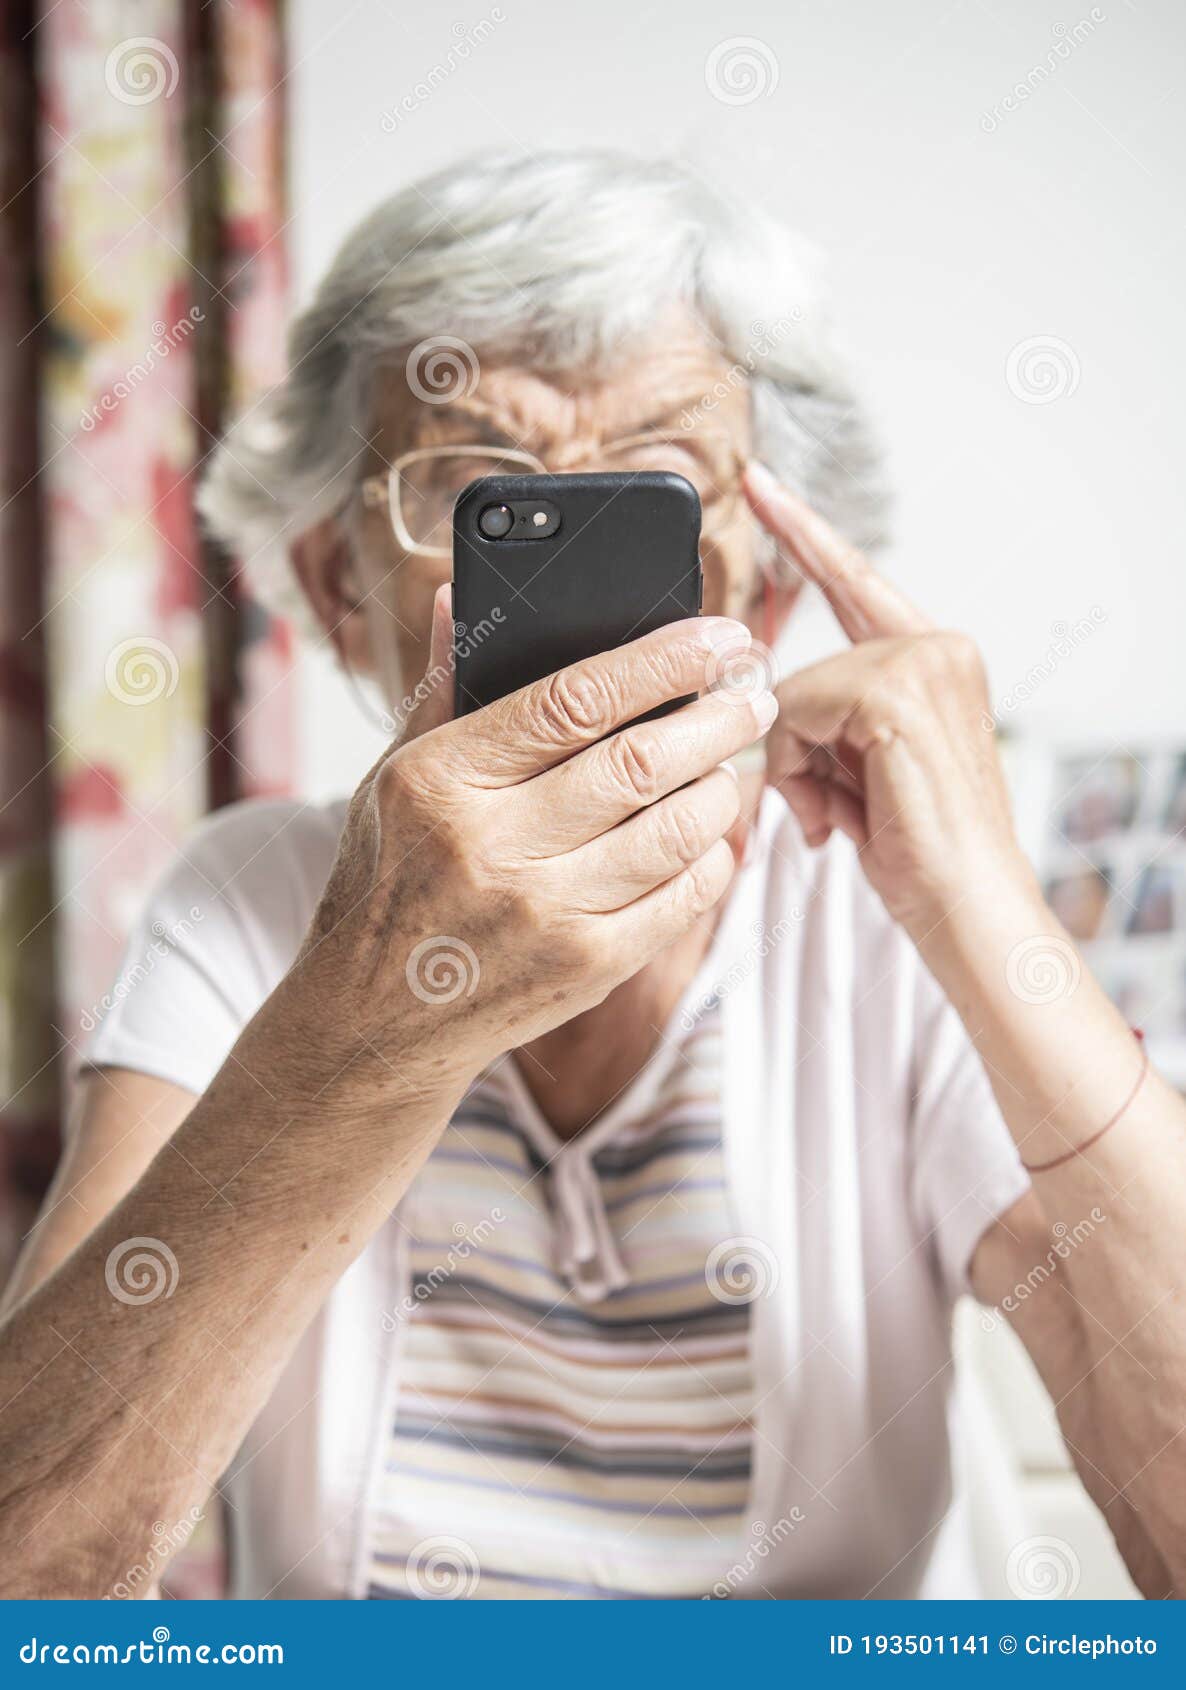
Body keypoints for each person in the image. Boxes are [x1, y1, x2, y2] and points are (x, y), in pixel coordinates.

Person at [1, 151, 1183, 1601]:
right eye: (472, 491)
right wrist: (378, 1004)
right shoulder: (245, 901)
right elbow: (29, 1577)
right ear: (336, 589)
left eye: (658, 486)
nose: (554, 590)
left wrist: (988, 906)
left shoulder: (872, 921)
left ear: (756, 585)